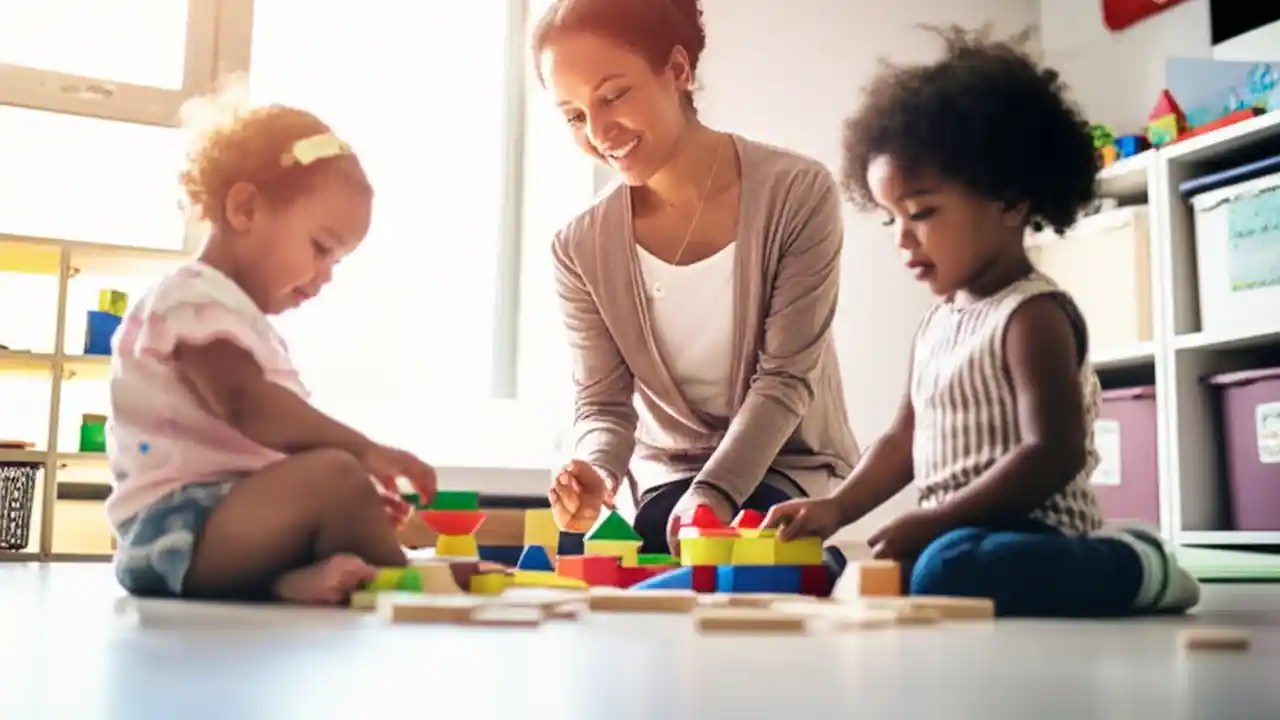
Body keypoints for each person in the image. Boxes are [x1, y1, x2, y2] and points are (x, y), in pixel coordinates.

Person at [765, 28, 1201, 616]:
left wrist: (938, 518)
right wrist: (836, 508)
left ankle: (1134, 565)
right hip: (958, 531)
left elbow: (1054, 451)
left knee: (949, 566)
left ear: (1010, 200)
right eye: (891, 217)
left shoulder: (1032, 315)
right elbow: (903, 439)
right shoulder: (938, 323)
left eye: (921, 213)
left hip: (1032, 532)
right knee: (897, 567)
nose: (903, 238)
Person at [533, 0, 860, 554]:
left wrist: (714, 492)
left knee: (746, 546)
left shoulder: (796, 193)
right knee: (642, 551)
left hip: (791, 464)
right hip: (667, 477)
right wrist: (596, 471)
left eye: (614, 96)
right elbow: (603, 405)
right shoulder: (579, 246)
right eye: (574, 114)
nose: (599, 131)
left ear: (679, 70)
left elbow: (785, 379)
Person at [105, 87, 437, 605]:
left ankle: (295, 581)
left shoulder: (236, 319)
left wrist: (348, 504)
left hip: (223, 522)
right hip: (176, 530)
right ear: (244, 207)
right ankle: (421, 588)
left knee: (336, 481)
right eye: (320, 247)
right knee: (335, 473)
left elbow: (259, 446)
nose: (325, 275)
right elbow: (246, 404)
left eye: (337, 261)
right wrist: (361, 453)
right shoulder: (190, 297)